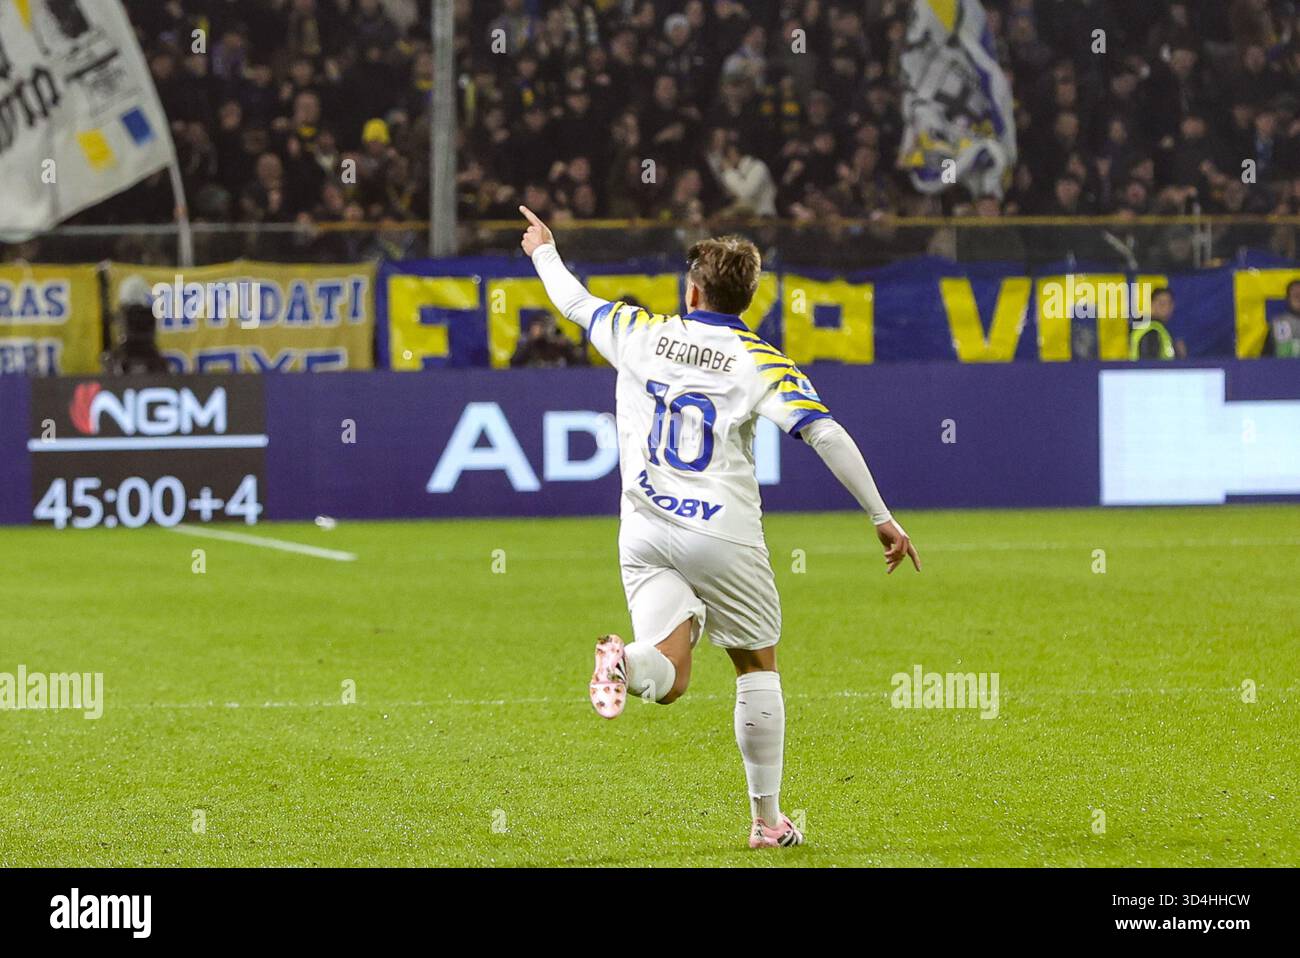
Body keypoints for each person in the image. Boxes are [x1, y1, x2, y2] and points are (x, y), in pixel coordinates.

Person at [519, 206, 920, 849]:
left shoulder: (638, 331)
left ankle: (625, 660)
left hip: (644, 529)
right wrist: (881, 516)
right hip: (722, 533)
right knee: (756, 666)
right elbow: (825, 433)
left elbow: (573, 301)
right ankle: (766, 822)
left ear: (693, 290)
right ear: (748, 297)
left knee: (671, 679)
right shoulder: (760, 358)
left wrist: (543, 249)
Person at [1130, 287, 1186, 360]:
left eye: (1169, 303)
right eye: (1161, 303)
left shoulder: (1159, 328)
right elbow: (1149, 366)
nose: (1166, 307)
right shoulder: (1150, 330)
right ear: (1151, 304)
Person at [1263, 279, 1300, 358]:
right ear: (1288, 299)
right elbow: (1265, 358)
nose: (1298, 299)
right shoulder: (1277, 324)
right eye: (1295, 296)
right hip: (1284, 369)